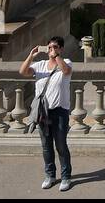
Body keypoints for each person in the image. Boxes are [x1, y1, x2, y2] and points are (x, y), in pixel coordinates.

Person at [19, 36, 75, 191]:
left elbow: (66, 71)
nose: (52, 49)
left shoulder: (66, 62)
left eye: (55, 47)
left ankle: (66, 177)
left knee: (61, 145)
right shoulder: (40, 65)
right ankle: (50, 175)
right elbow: (23, 71)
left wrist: (56, 57)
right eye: (50, 47)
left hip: (60, 111)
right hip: (43, 112)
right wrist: (31, 55)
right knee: (46, 146)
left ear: (61, 49)